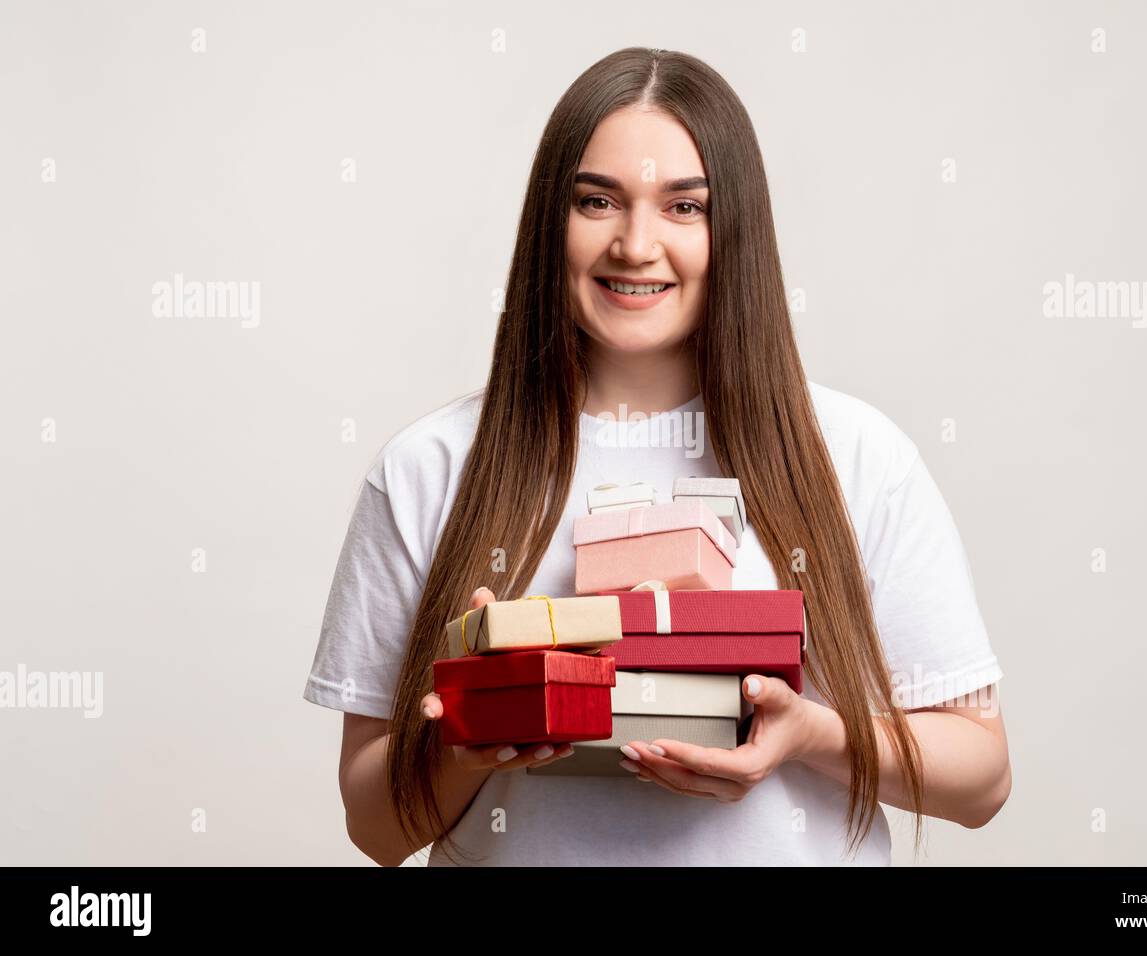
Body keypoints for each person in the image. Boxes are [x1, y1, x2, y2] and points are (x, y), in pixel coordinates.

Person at [303, 47, 1010, 866]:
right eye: (597, 201)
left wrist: (812, 734)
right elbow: (375, 830)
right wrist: (471, 737)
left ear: (734, 228)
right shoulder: (428, 467)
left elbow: (982, 778)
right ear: (548, 222)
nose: (636, 245)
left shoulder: (858, 456)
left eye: (684, 207)